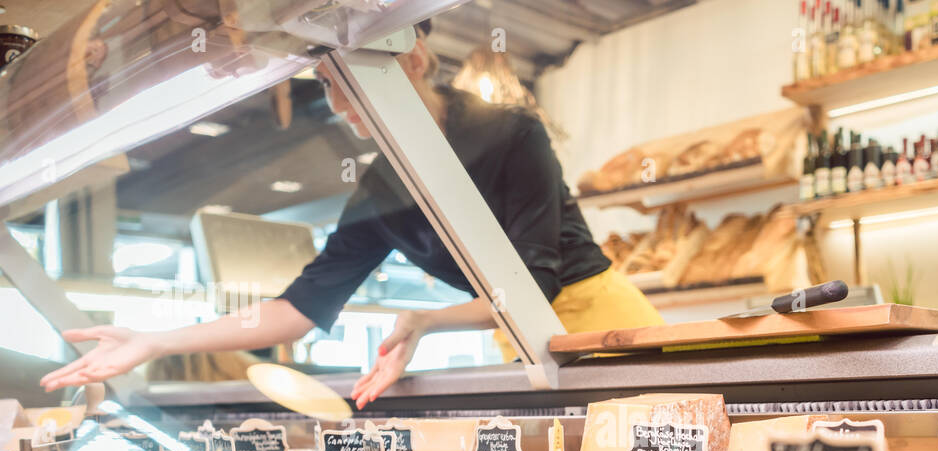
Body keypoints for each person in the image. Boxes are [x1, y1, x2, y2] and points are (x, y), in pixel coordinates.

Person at [41, 24, 662, 406]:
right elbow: (297, 308)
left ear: (412, 60)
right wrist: (154, 340)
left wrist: (425, 320)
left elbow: (537, 286)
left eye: (346, 82)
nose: (338, 106)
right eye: (327, 85)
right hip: (520, 339)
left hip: (601, 321)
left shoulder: (509, 134)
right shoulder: (378, 189)